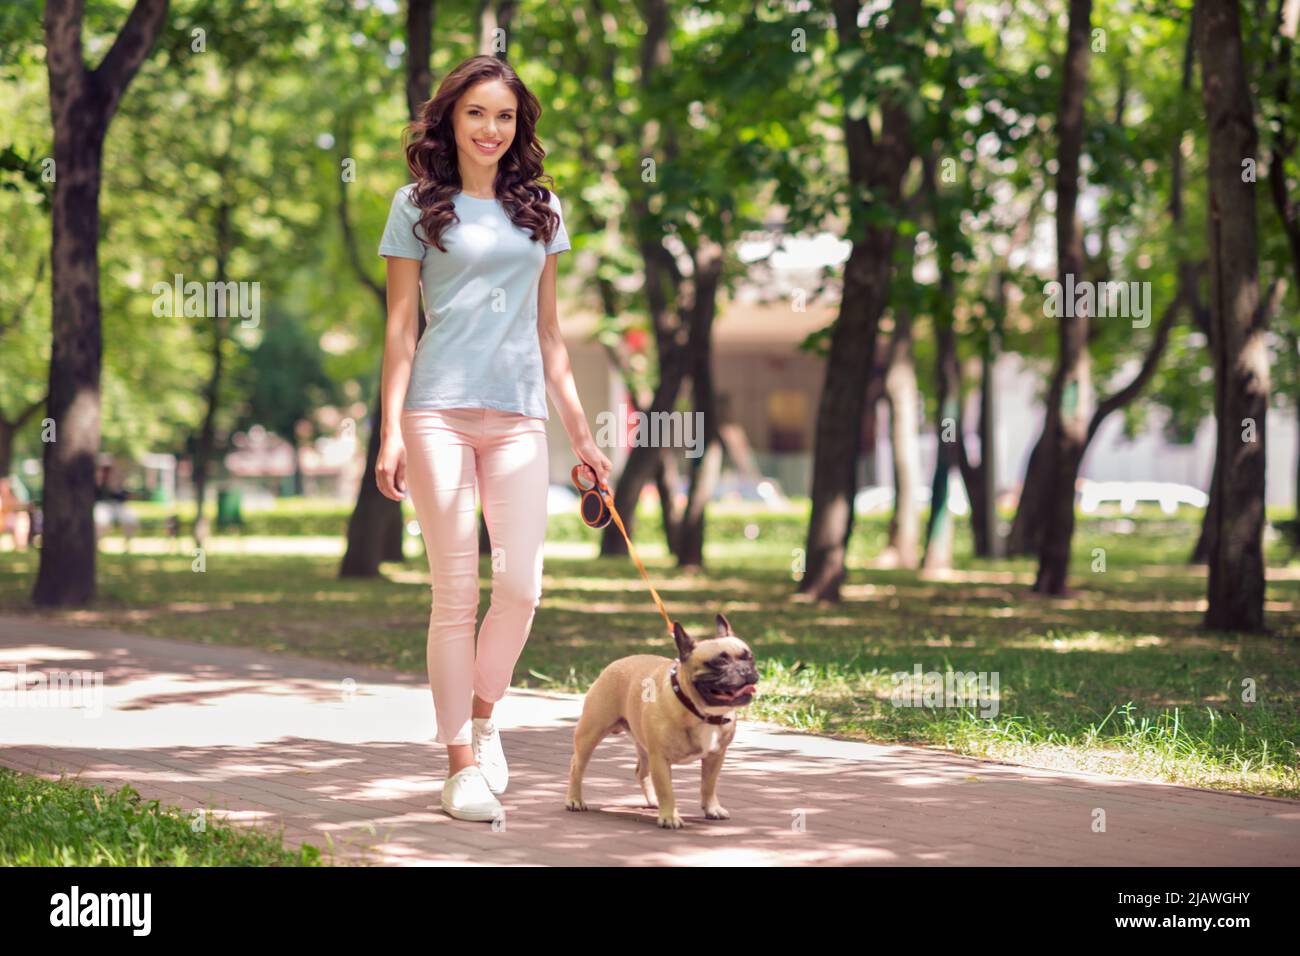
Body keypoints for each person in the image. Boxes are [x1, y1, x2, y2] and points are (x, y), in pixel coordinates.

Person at [375, 54, 613, 823]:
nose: (490, 128)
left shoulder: (540, 209)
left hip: (518, 418)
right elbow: (400, 329)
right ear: (450, 118)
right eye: (476, 112)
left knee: (521, 588)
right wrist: (389, 430)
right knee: (456, 594)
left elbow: (549, 335)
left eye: (504, 115)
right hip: (437, 413)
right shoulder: (414, 206)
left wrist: (582, 433)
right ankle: (459, 767)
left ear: (520, 126)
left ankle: (485, 713)